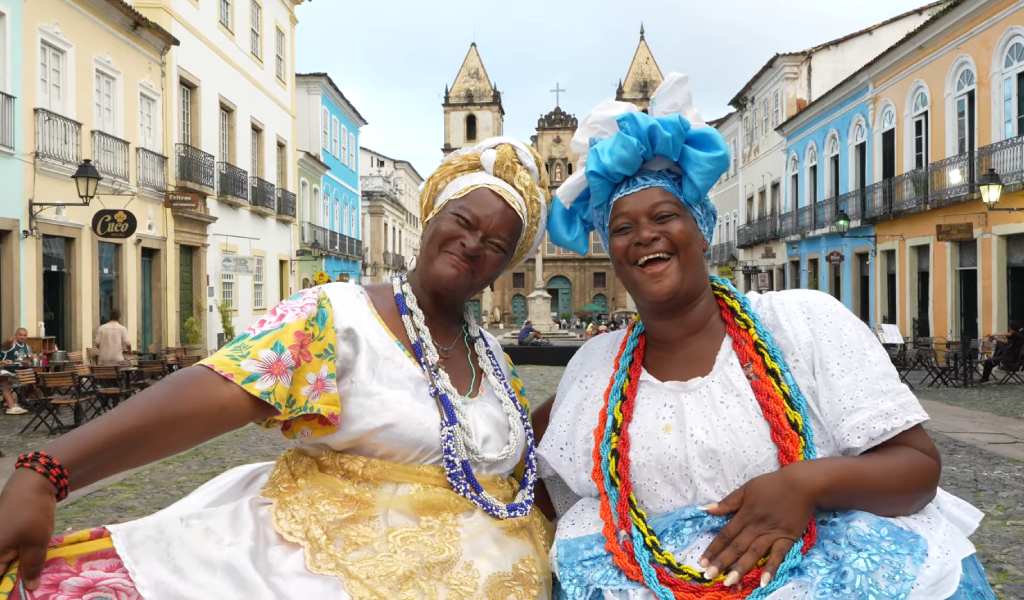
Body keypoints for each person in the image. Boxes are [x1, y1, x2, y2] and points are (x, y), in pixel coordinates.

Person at [0, 137, 553, 598]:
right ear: (431, 218)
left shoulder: (495, 362)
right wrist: (47, 470)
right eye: (463, 220)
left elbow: (524, 463)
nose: (472, 243)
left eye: (496, 244)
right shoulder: (340, 317)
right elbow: (218, 388)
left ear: (504, 267)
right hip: (314, 573)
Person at [537, 74, 994, 599]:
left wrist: (804, 484)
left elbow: (916, 470)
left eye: (665, 215)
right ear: (613, 251)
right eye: (622, 228)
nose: (644, 235)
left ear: (702, 230)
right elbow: (526, 470)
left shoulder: (803, 323)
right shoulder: (597, 368)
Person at [0, 328, 29, 415]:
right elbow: (4, 345)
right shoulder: (11, 343)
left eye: (24, 335)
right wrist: (3, 361)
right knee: (4, 381)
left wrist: (27, 361)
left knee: (34, 378)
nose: (22, 337)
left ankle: (12, 402)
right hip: (4, 369)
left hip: (17, 373)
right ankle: (11, 406)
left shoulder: (26, 346)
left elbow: (27, 359)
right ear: (16, 335)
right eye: (20, 335)